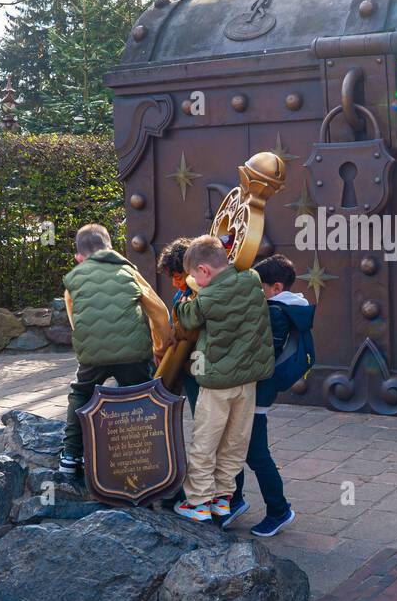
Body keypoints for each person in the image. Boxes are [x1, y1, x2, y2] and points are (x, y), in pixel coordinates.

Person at [57, 223, 173, 483]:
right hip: (133, 353)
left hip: (93, 354)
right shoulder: (128, 271)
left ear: (79, 257)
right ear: (111, 248)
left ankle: (71, 456)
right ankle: (150, 455)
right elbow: (159, 312)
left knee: (81, 394)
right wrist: (159, 347)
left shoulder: (73, 278)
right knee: (141, 396)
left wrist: (91, 345)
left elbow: (75, 318)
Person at [172, 235, 273, 522]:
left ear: (204, 270)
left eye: (195, 276)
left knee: (206, 441)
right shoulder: (252, 278)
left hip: (217, 383)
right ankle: (223, 498)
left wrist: (184, 299)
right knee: (234, 441)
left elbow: (187, 319)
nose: (195, 281)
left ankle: (199, 502)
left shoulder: (208, 297)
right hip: (248, 380)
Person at [222, 254, 309, 537]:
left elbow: (261, 353)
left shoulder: (275, 312)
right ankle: (234, 501)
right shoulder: (285, 307)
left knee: (256, 454)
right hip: (258, 388)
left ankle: (279, 510)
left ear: (276, 287)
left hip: (257, 391)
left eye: (260, 287)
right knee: (235, 445)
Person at [155, 237, 199, 413]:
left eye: (178, 277)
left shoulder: (205, 294)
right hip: (187, 363)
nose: (175, 283)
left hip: (202, 363)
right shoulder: (178, 297)